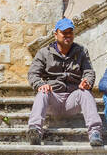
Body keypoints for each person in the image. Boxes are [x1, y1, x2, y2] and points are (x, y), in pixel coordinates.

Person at [26, 18, 101, 148]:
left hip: (73, 98)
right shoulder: (44, 53)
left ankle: (95, 132)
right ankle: (35, 131)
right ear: (56, 34)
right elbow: (33, 74)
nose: (67, 36)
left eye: (70, 32)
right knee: (42, 92)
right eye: (64, 32)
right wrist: (40, 84)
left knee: (85, 93)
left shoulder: (81, 51)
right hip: (53, 98)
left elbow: (89, 71)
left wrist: (87, 82)